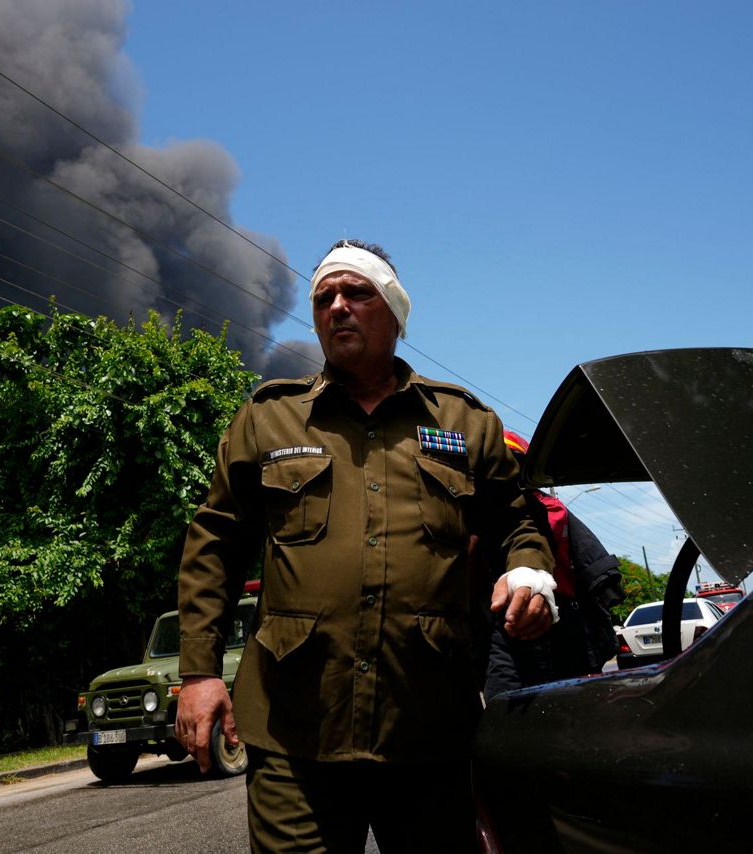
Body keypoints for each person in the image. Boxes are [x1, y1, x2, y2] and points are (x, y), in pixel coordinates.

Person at [175, 239, 556, 851]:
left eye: (356, 292)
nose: (337, 307)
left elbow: (520, 523)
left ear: (395, 311)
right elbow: (214, 543)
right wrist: (198, 673)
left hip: (429, 730)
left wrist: (531, 575)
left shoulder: (463, 423)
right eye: (324, 297)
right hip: (294, 733)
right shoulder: (267, 419)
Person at [483, 431, 625, 697]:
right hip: (555, 625)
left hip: (538, 624)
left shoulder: (538, 509)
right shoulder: (545, 506)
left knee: (511, 717)